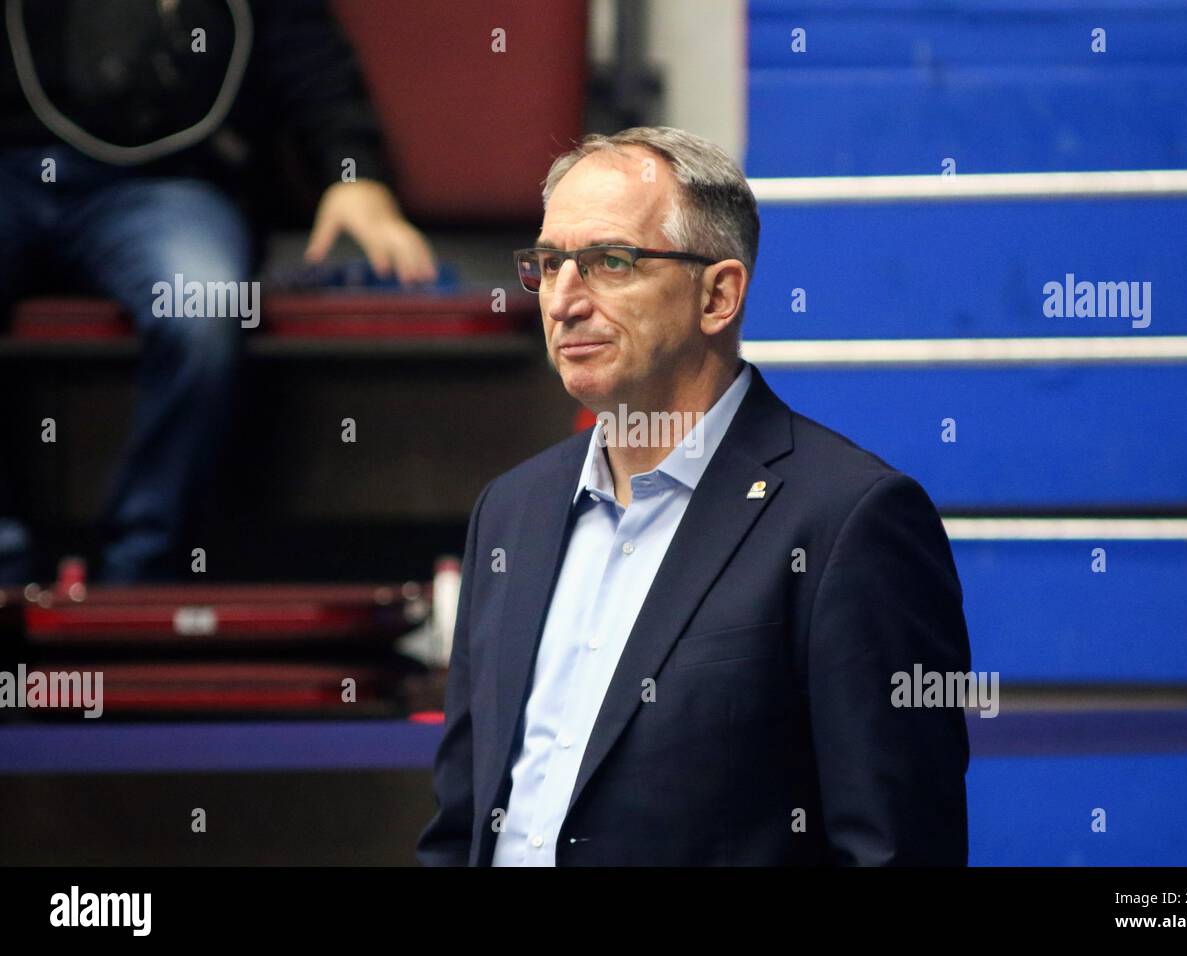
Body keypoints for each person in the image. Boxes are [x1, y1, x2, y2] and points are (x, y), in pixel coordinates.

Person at [415, 126, 971, 866]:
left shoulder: (849, 520)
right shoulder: (510, 513)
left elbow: (896, 850)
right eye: (548, 265)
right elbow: (461, 828)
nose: (564, 300)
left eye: (610, 262)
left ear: (719, 295)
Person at [0, 0, 434, 583]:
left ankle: (138, 571)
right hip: (13, 168)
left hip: (166, 187)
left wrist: (352, 174)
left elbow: (313, 64)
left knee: (204, 301)